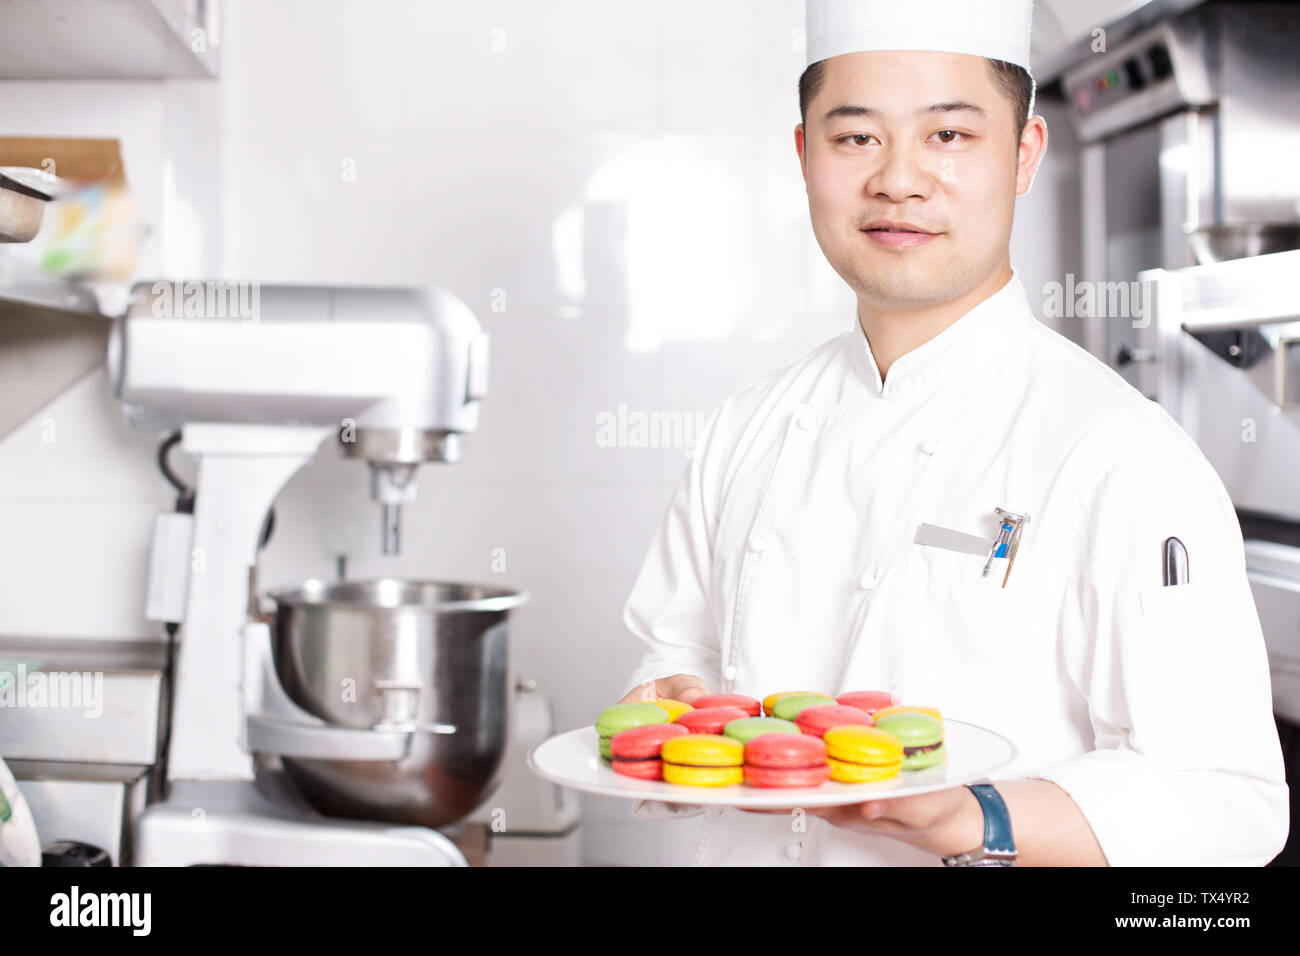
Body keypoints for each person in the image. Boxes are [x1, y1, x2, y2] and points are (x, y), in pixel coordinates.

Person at [615, 0, 1289, 866]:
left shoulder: (1118, 451)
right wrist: (671, 693)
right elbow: (680, 645)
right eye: (856, 138)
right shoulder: (746, 428)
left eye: (950, 136)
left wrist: (976, 818)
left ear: (1024, 155)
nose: (899, 180)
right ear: (804, 155)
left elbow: (1228, 800)